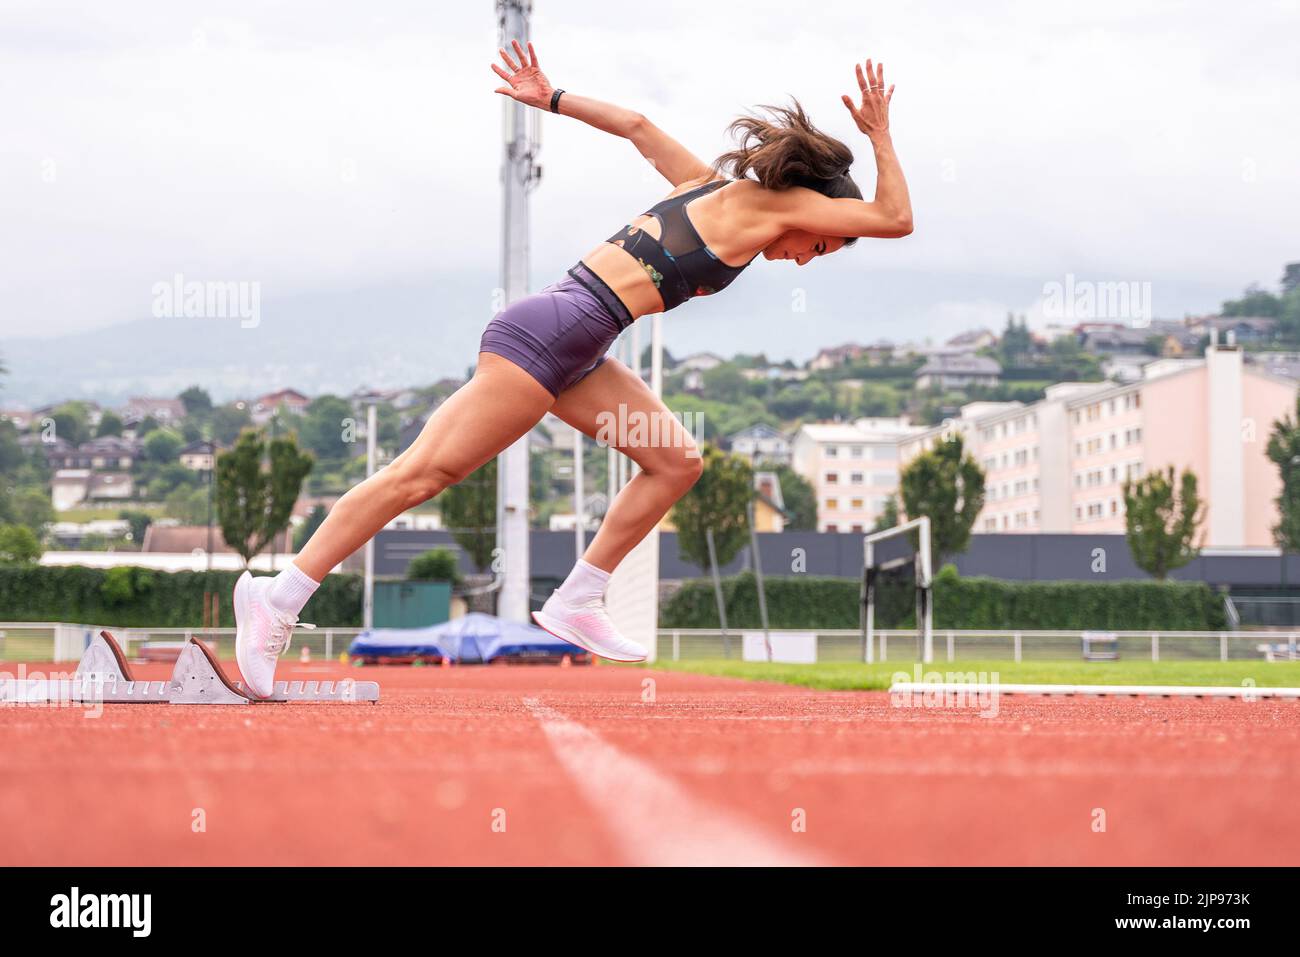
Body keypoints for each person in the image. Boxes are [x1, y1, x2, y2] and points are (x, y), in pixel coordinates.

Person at [233, 40, 913, 697]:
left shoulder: (706, 185)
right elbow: (896, 217)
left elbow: (639, 127)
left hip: (580, 343)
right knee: (421, 474)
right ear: (815, 203)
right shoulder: (779, 204)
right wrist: (880, 134)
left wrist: (552, 96)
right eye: (820, 246)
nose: (804, 256)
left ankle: (579, 595)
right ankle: (278, 597)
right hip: (553, 333)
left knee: (676, 461)